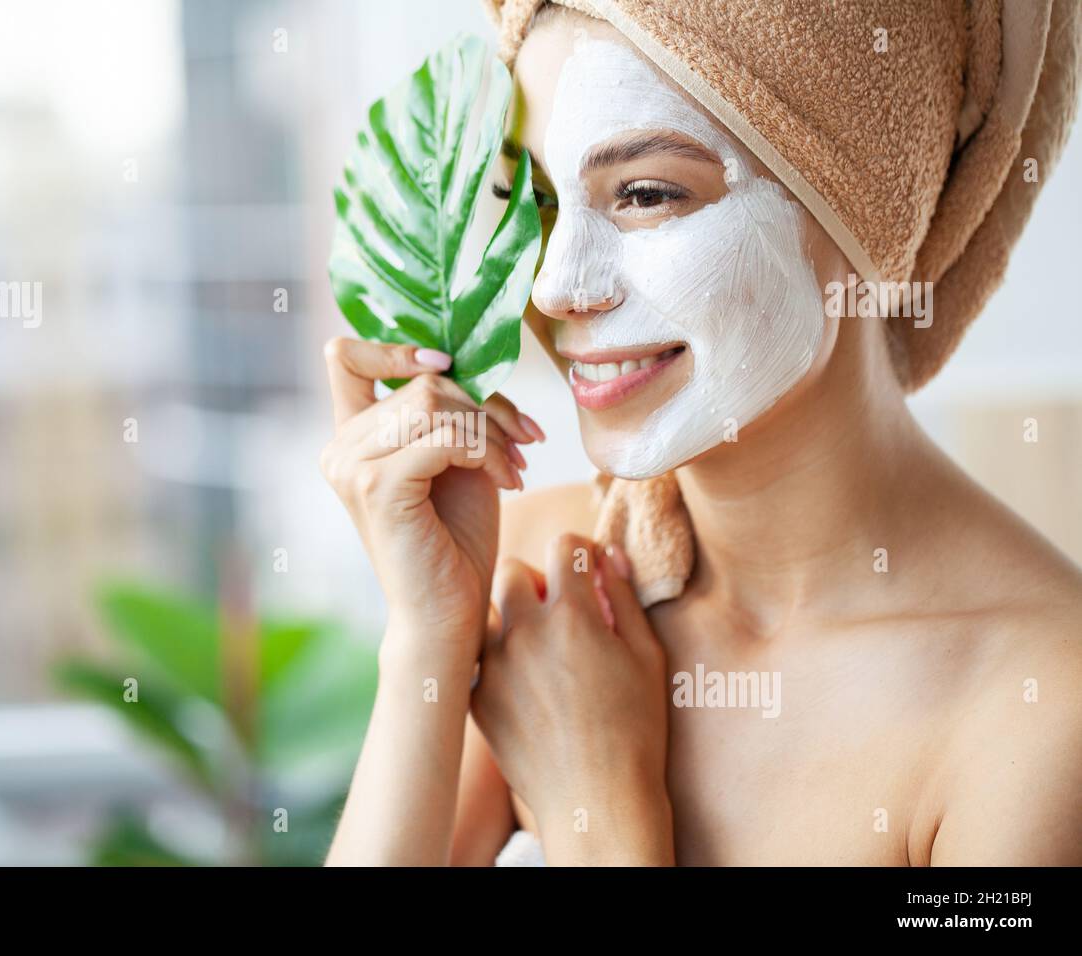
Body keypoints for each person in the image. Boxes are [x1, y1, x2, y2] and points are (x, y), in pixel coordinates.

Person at [322, 0, 1082, 865]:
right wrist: (424, 637)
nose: (558, 287)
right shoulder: (543, 579)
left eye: (646, 193)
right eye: (537, 198)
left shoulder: (1042, 710)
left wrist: (598, 820)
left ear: (870, 205)